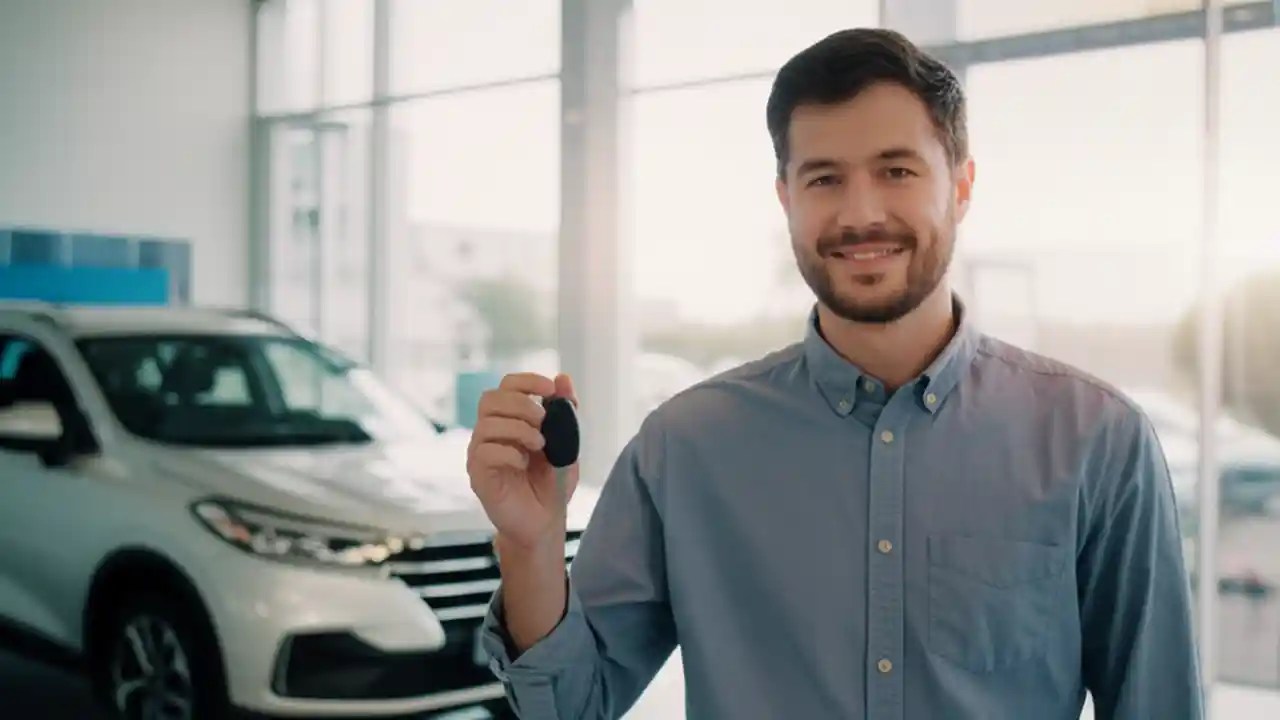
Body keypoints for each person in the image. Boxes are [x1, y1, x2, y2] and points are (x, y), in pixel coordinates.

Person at [466, 27, 1204, 719]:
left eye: (897, 170)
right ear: (786, 197)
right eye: (824, 178)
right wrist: (531, 547)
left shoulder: (1098, 444)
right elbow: (570, 704)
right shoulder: (683, 448)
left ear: (962, 186)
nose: (861, 213)